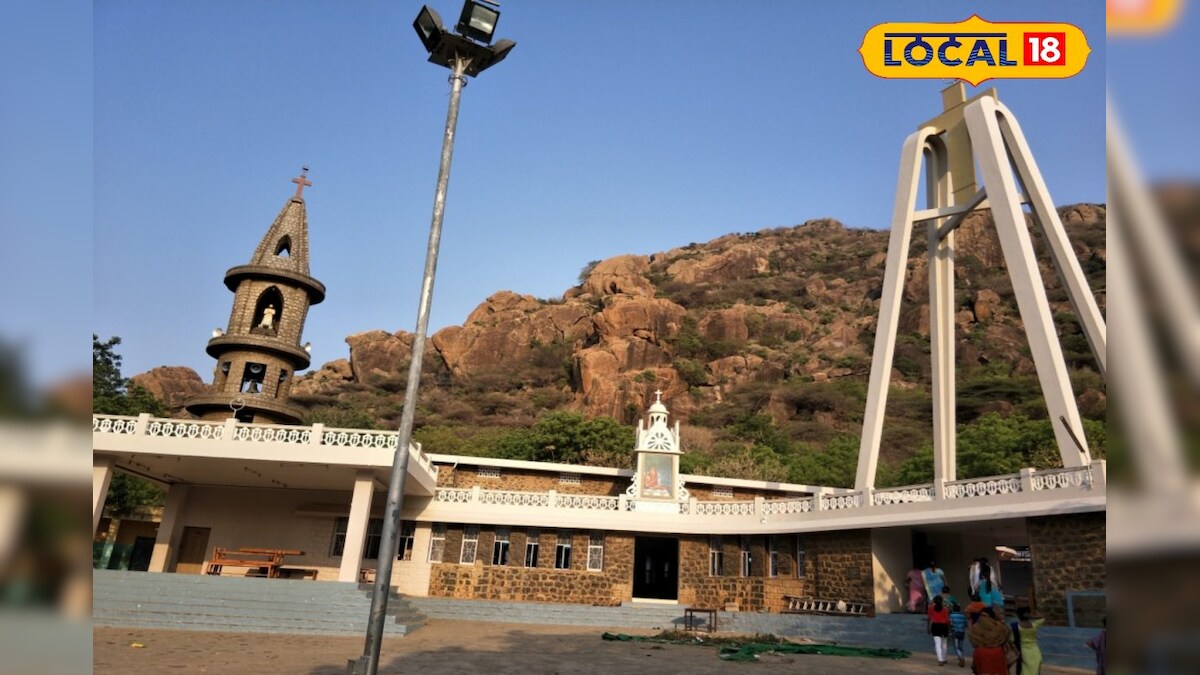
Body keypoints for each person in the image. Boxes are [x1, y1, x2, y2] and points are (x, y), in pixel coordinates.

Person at [968, 607, 1015, 675]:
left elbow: (972, 640)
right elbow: (1007, 632)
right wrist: (1000, 619)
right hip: (997, 653)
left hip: (979, 653)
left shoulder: (975, 627)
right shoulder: (997, 626)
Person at [1015, 606, 1045, 675]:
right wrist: (1033, 617)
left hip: (1024, 650)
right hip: (1035, 649)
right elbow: (1043, 618)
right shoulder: (1034, 625)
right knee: (1035, 669)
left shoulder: (1016, 627)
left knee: (1027, 668)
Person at [927, 594, 952, 666]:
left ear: (934, 601)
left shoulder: (930, 608)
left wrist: (928, 628)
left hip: (935, 626)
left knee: (937, 644)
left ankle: (940, 659)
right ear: (941, 602)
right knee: (944, 644)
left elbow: (929, 618)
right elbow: (947, 620)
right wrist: (949, 628)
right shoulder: (945, 609)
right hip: (944, 627)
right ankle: (944, 659)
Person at [949, 602, 969, 668]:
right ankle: (961, 658)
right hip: (962, 632)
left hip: (955, 632)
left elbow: (950, 624)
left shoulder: (951, 615)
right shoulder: (963, 616)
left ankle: (961, 658)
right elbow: (966, 624)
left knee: (956, 647)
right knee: (961, 647)